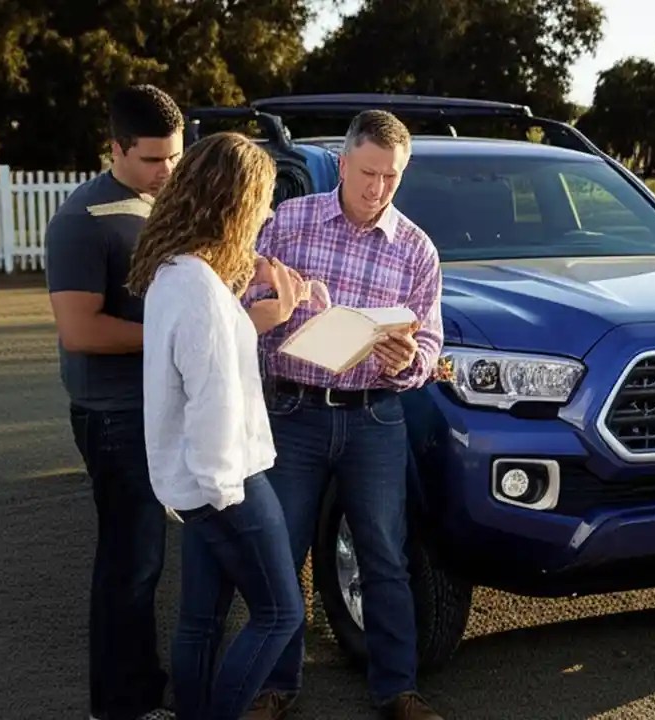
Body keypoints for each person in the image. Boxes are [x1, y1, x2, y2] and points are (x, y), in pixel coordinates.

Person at [248, 110, 446, 720]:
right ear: (342, 163)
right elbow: (243, 300)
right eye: (368, 172)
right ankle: (274, 687)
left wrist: (409, 359)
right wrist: (277, 308)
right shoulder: (287, 223)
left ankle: (398, 690)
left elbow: (431, 346)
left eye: (391, 177)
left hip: (375, 416)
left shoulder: (416, 249)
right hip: (294, 409)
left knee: (385, 553)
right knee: (280, 551)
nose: (377, 188)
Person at [125, 131, 322, 720]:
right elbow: (210, 400)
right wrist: (223, 494)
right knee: (281, 613)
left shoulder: (179, 273)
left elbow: (205, 352)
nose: (267, 211)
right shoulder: (200, 294)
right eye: (262, 199)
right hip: (225, 481)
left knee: (201, 620)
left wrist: (262, 304)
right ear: (232, 202)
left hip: (198, 481)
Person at [44, 83, 184, 720]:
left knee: (148, 560)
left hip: (160, 407)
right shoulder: (80, 220)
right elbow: (81, 330)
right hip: (113, 417)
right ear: (116, 149)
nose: (167, 171)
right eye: (153, 160)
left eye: (175, 157)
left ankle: (144, 690)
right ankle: (124, 707)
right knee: (131, 563)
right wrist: (177, 334)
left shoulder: (158, 203)